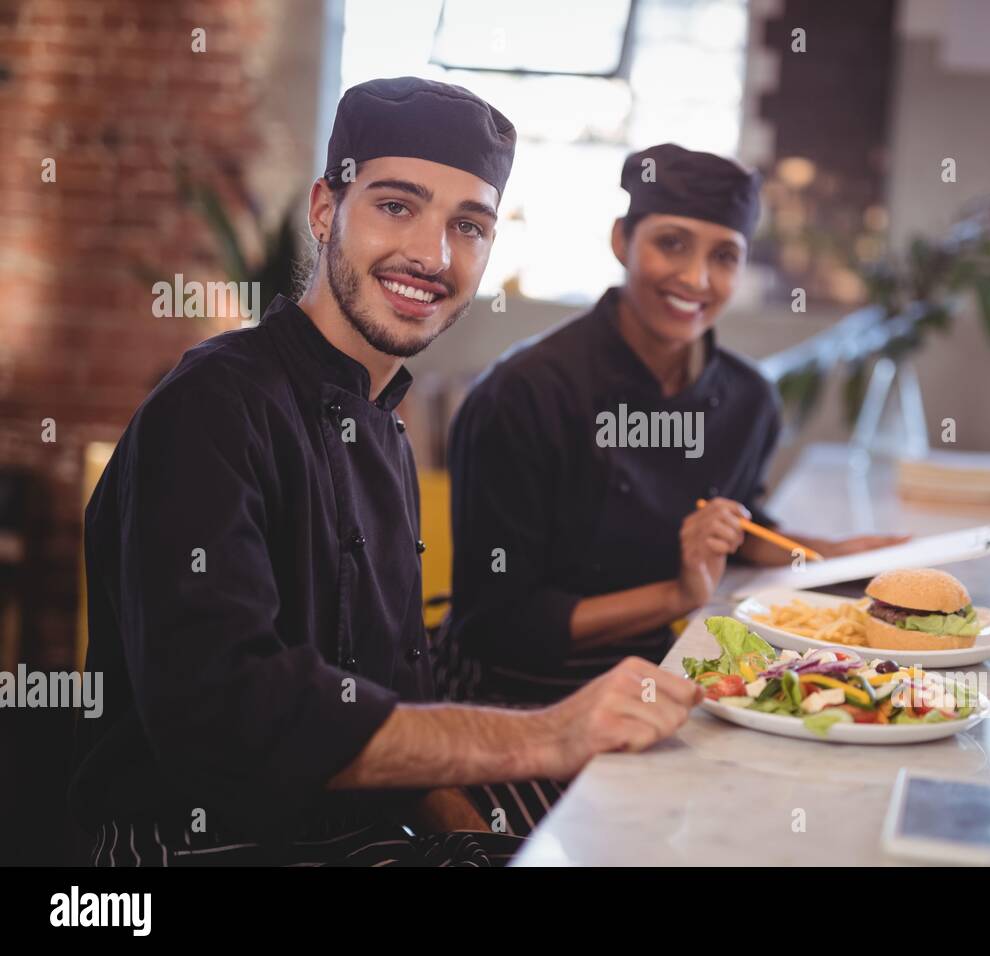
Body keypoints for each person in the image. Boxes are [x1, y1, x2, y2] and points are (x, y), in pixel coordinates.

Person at [72, 78, 700, 867]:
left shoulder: (386, 428)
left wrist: (485, 841)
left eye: (468, 225)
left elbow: (394, 707)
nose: (432, 256)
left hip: (351, 836)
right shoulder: (209, 408)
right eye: (397, 206)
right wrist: (548, 734)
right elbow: (225, 717)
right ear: (327, 211)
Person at [440, 146, 907, 832]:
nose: (696, 277)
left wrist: (835, 553)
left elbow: (731, 528)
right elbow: (500, 624)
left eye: (724, 255)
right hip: (520, 699)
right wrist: (678, 596)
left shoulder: (749, 399)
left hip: (662, 666)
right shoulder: (525, 395)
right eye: (671, 244)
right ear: (622, 240)